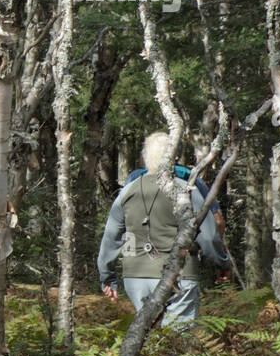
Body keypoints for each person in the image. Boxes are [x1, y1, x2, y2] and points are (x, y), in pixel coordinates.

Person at [97, 131, 231, 326]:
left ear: (145, 157)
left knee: (148, 335)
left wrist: (107, 277)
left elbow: (111, 238)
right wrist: (222, 263)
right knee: (177, 338)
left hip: (136, 277)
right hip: (181, 275)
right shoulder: (185, 190)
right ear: (174, 157)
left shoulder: (127, 191)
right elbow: (209, 236)